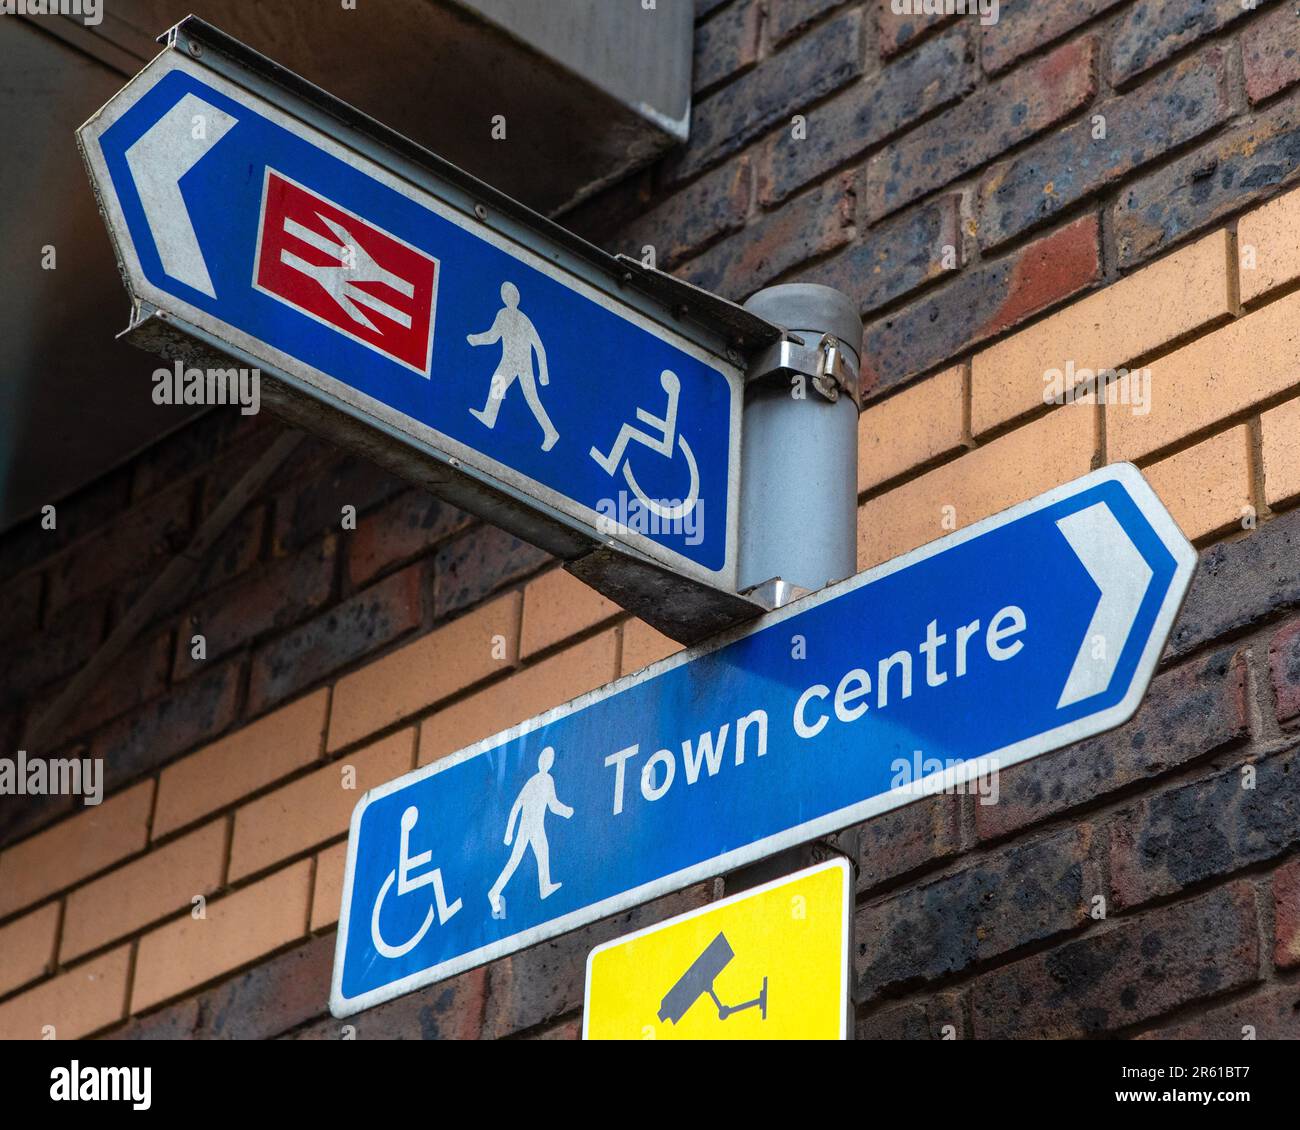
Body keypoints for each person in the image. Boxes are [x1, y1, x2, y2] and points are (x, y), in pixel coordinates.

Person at [466, 281, 560, 452]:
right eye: (507, 295)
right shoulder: (502, 314)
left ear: (517, 297)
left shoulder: (524, 320)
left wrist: (543, 374)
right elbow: (493, 336)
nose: (510, 298)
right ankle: (489, 416)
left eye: (513, 294)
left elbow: (539, 347)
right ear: (504, 298)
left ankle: (551, 432)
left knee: (531, 398)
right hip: (509, 361)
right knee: (498, 382)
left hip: (523, 364)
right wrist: (476, 340)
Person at [487, 747, 574, 919]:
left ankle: (541, 886)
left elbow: (518, 807)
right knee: (522, 858)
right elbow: (548, 805)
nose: (547, 761)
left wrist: (510, 833)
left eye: (549, 759)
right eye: (546, 758)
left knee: (528, 856)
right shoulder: (545, 780)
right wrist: (567, 811)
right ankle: (497, 891)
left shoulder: (534, 780)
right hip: (532, 826)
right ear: (543, 761)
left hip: (528, 826)